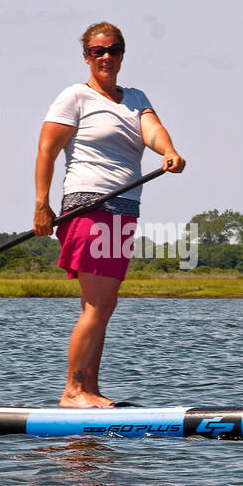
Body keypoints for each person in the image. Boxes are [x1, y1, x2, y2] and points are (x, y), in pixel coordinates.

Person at [34, 22, 185, 407]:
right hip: (89, 205)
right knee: (97, 304)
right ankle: (73, 391)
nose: (106, 57)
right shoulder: (74, 98)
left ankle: (91, 390)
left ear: (122, 54)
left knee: (104, 304)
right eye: (98, 51)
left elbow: (153, 131)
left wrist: (167, 151)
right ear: (86, 56)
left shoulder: (134, 97)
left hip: (124, 208)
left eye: (113, 50)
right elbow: (47, 151)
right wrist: (41, 204)